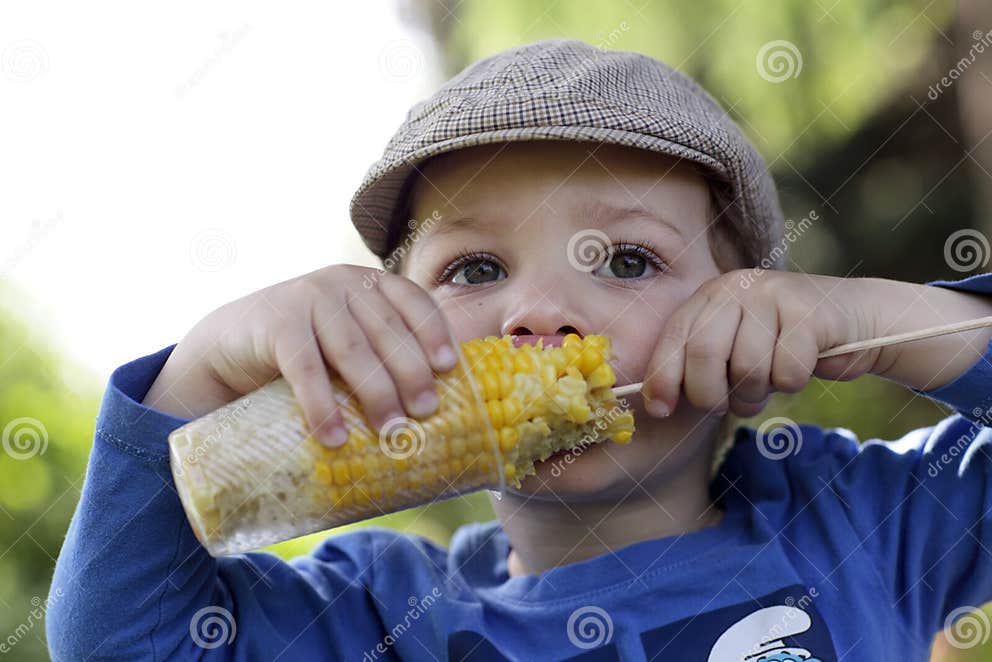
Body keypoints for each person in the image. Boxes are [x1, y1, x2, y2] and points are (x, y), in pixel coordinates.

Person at [48, 39, 992, 661]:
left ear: (759, 321)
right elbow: (117, 639)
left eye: (625, 259)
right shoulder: (377, 612)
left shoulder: (863, 522)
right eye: (473, 269)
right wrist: (200, 377)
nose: (536, 314)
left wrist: (881, 320)